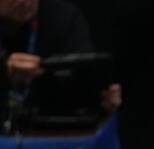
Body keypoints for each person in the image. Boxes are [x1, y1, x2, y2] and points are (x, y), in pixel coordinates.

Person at [0, 0, 122, 133]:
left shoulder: (63, 17)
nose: (25, 2)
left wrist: (102, 100)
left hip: (45, 133)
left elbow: (85, 75)